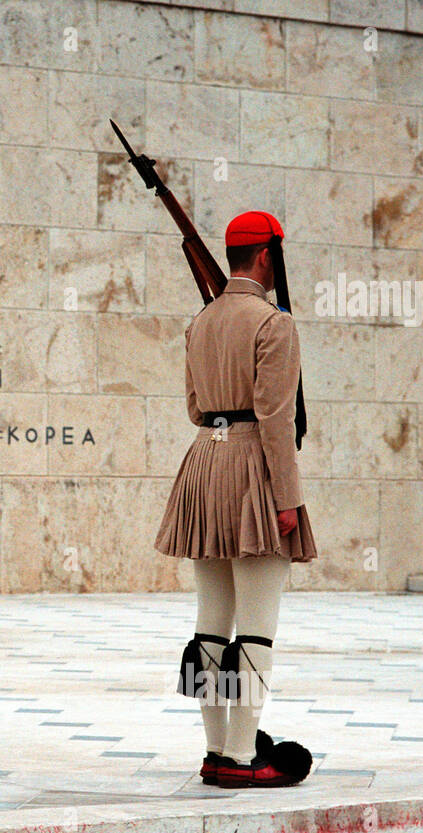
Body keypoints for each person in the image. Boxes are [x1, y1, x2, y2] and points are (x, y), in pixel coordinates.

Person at [153, 210, 317, 788]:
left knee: (210, 626)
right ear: (269, 256)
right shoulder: (274, 324)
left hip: (204, 463)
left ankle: (215, 750)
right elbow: (275, 418)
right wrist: (287, 498)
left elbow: (197, 407)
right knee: (256, 628)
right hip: (252, 467)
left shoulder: (201, 321)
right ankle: (245, 757)